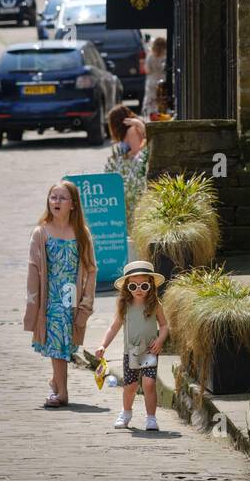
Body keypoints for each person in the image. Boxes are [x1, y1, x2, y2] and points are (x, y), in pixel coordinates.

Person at [23, 179, 97, 408]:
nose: (56, 201)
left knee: (65, 344)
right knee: (56, 341)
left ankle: (56, 381)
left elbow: (91, 269)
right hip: (50, 298)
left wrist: (86, 305)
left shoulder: (81, 233)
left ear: (73, 204)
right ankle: (63, 393)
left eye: (62, 198)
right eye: (53, 197)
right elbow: (34, 269)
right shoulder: (41, 232)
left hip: (71, 297)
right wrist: (33, 305)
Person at [96, 260, 168, 431]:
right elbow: (113, 327)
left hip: (149, 350)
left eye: (143, 286)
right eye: (133, 287)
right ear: (126, 287)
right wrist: (103, 346)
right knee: (130, 386)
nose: (138, 290)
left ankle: (151, 418)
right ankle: (126, 413)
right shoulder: (125, 306)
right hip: (131, 351)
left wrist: (160, 340)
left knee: (149, 384)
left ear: (150, 285)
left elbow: (164, 325)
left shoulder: (154, 304)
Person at [141, 36, 167, 119]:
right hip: (162, 80)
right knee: (161, 101)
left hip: (152, 80)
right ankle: (161, 116)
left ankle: (151, 117)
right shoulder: (165, 56)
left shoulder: (150, 56)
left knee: (151, 101)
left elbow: (147, 70)